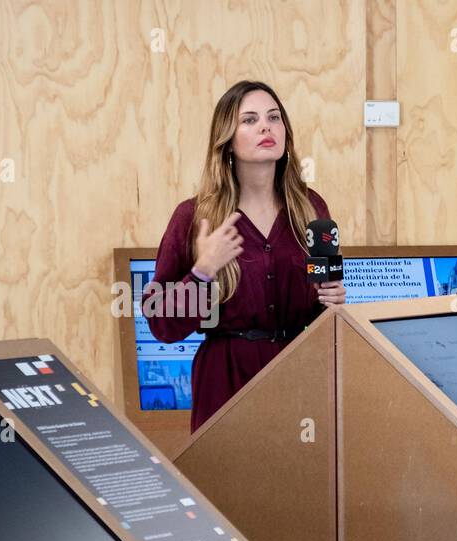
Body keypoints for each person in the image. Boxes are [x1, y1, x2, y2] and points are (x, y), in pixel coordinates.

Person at [144, 80, 345, 432]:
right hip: (226, 385)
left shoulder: (312, 209)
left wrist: (332, 301)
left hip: (300, 381)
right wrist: (204, 271)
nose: (266, 126)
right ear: (227, 140)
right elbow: (161, 323)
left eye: (274, 117)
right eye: (249, 120)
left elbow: (322, 297)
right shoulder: (194, 218)